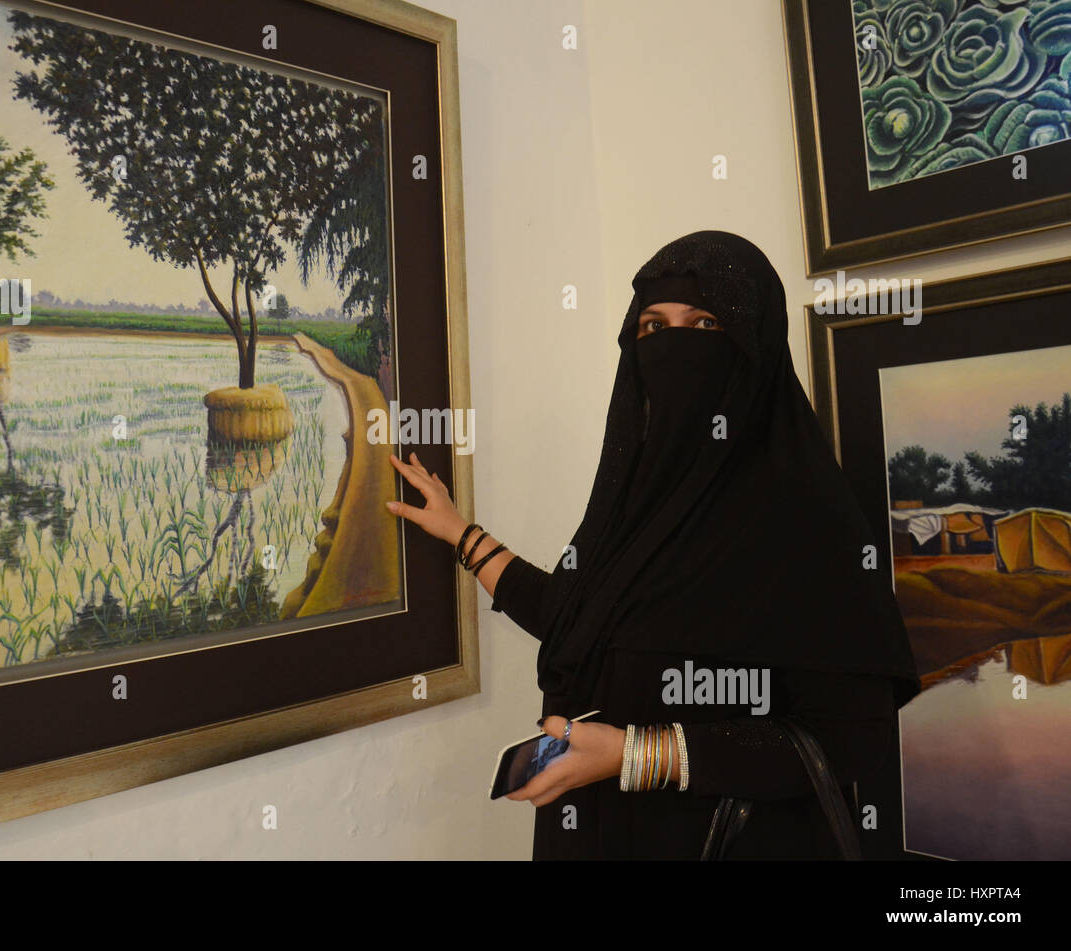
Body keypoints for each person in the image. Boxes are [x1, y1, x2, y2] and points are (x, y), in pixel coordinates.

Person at [385, 230, 920, 860]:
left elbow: (850, 737)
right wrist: (461, 534)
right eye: (652, 327)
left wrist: (637, 754)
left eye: (704, 324)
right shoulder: (636, 501)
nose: (673, 348)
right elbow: (572, 617)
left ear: (755, 348)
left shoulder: (805, 516)